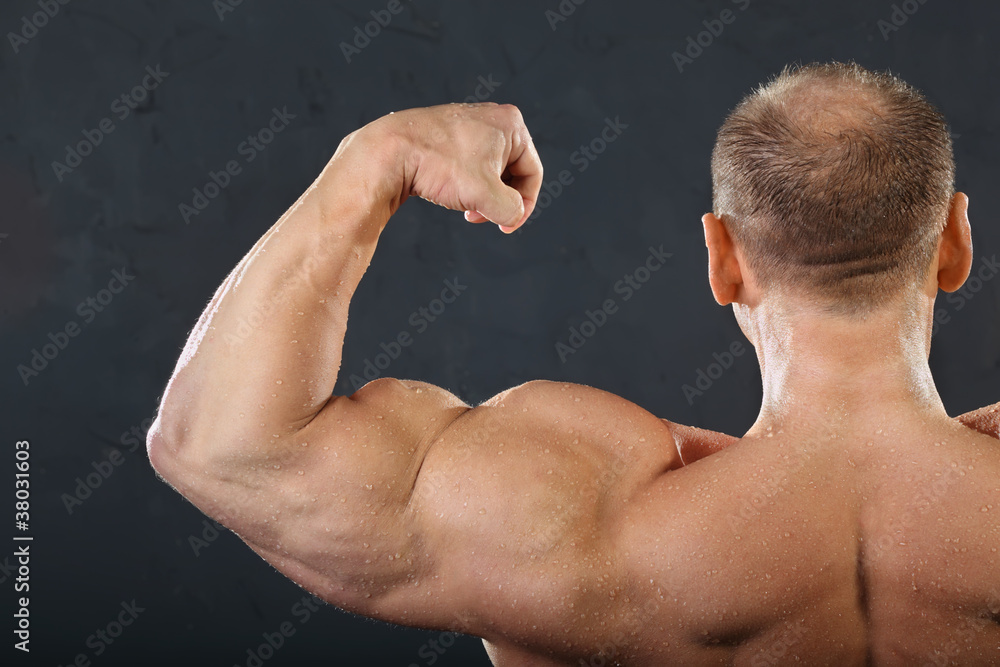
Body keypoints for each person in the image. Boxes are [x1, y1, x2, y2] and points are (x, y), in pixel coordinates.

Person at [147, 61, 1000, 665]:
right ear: (956, 244)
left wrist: (377, 159)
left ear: (722, 259)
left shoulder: (582, 525)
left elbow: (218, 442)